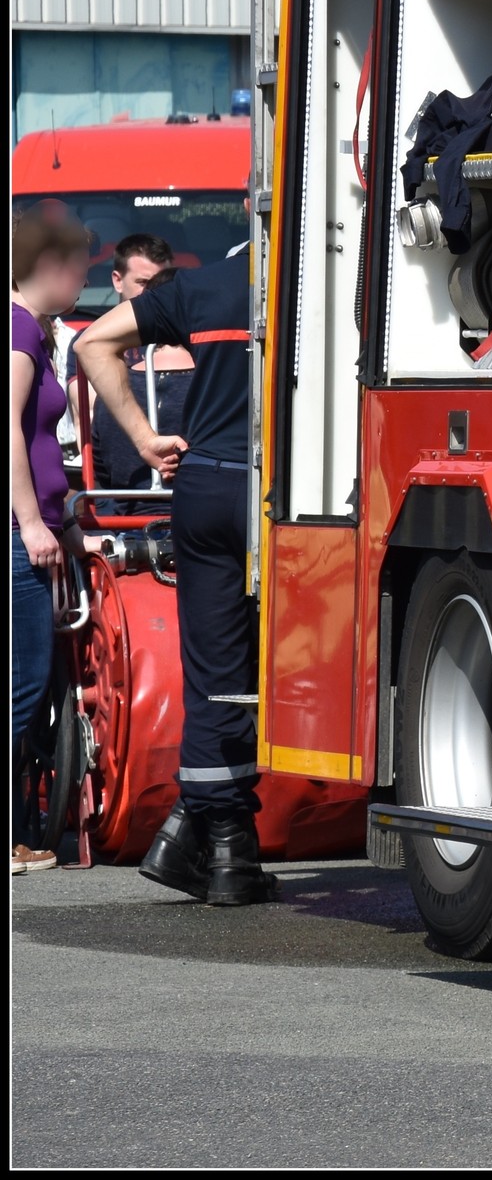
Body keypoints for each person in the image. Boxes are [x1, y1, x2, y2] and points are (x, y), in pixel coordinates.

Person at [75, 248, 275, 906]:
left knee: (216, 675)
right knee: (272, 672)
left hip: (207, 484)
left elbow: (92, 342)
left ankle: (221, 844)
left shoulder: (206, 285)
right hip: (290, 493)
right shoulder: (337, 279)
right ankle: (212, 837)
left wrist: (144, 439)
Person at [11, 212, 91, 875]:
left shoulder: (33, 332)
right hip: (17, 535)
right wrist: (32, 522)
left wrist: (60, 520)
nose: (84, 278)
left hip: (30, 528)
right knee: (24, 683)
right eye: (77, 265)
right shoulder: (17, 329)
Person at [92, 235, 191, 490]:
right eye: (142, 283)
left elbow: (100, 459)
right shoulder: (92, 345)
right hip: (186, 504)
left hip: (121, 502)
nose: (152, 297)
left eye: (157, 286)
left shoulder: (110, 377)